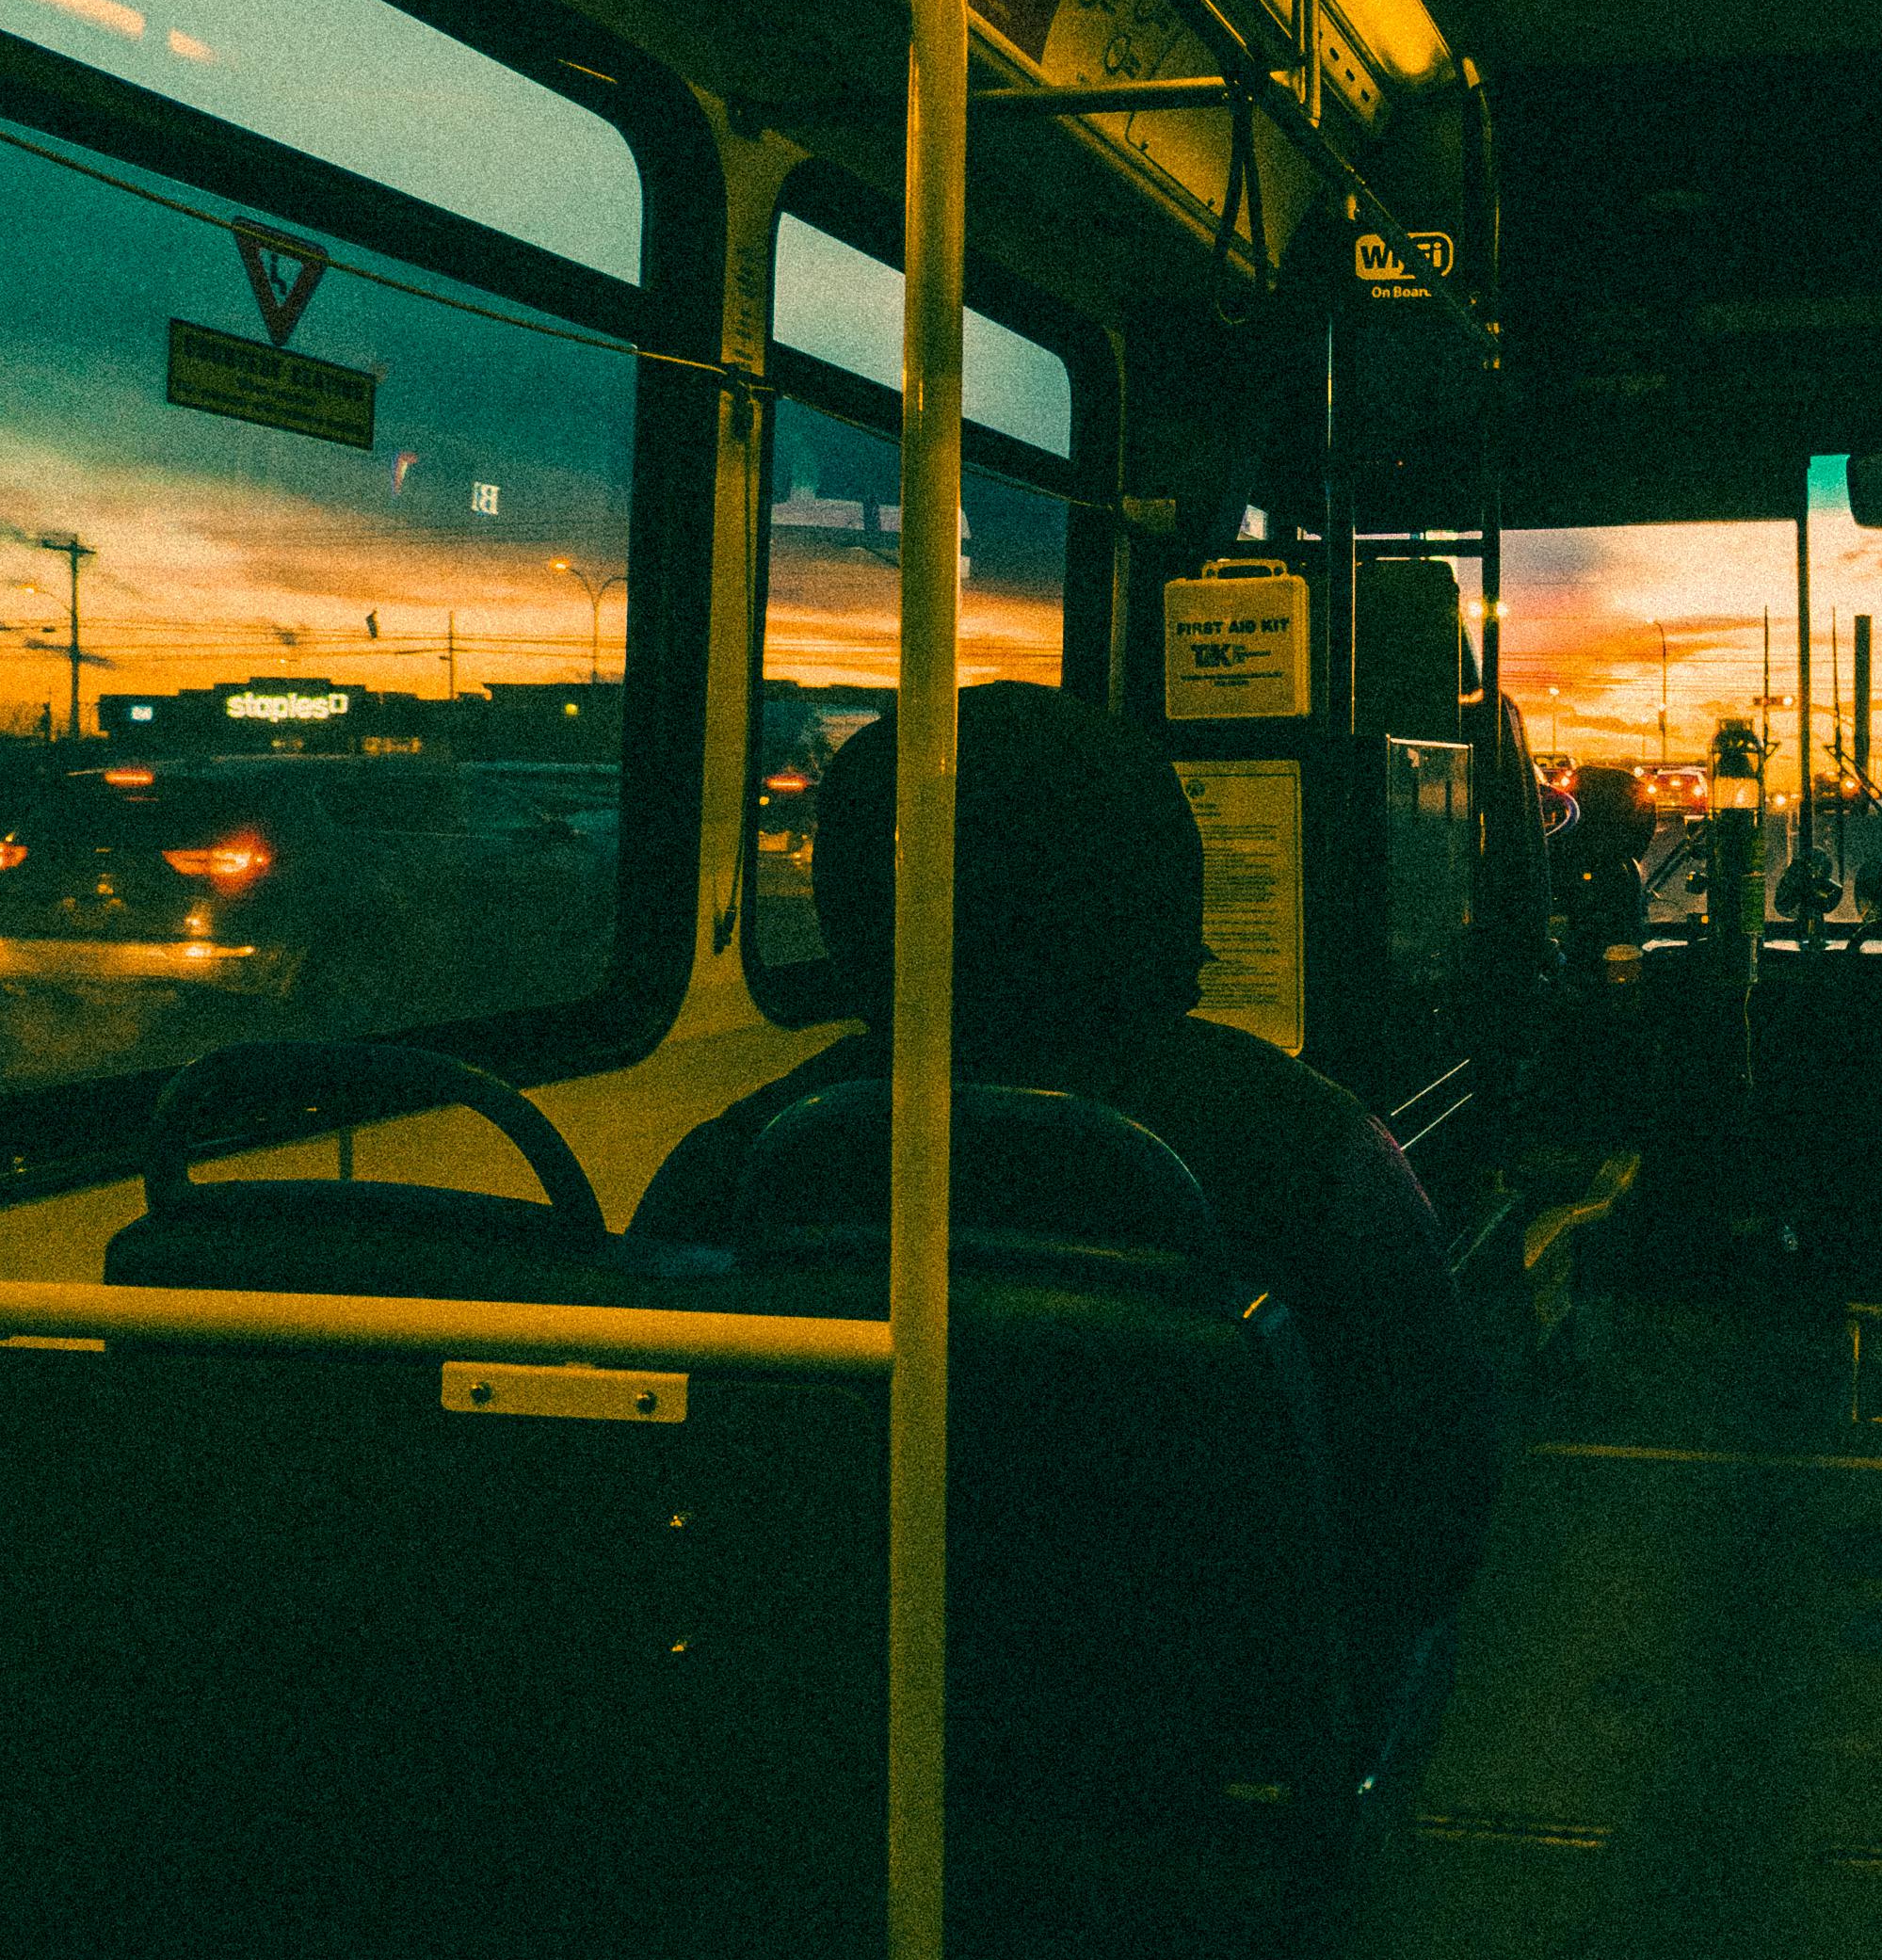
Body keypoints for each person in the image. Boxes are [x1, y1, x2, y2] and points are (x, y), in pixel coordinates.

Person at [635, 682, 1499, 1654]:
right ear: (1156, 875)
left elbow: (660, 1491)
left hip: (834, 1711)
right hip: (1209, 1728)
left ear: (860, 900)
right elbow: (1435, 1512)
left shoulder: (754, 1160)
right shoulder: (1312, 1147)